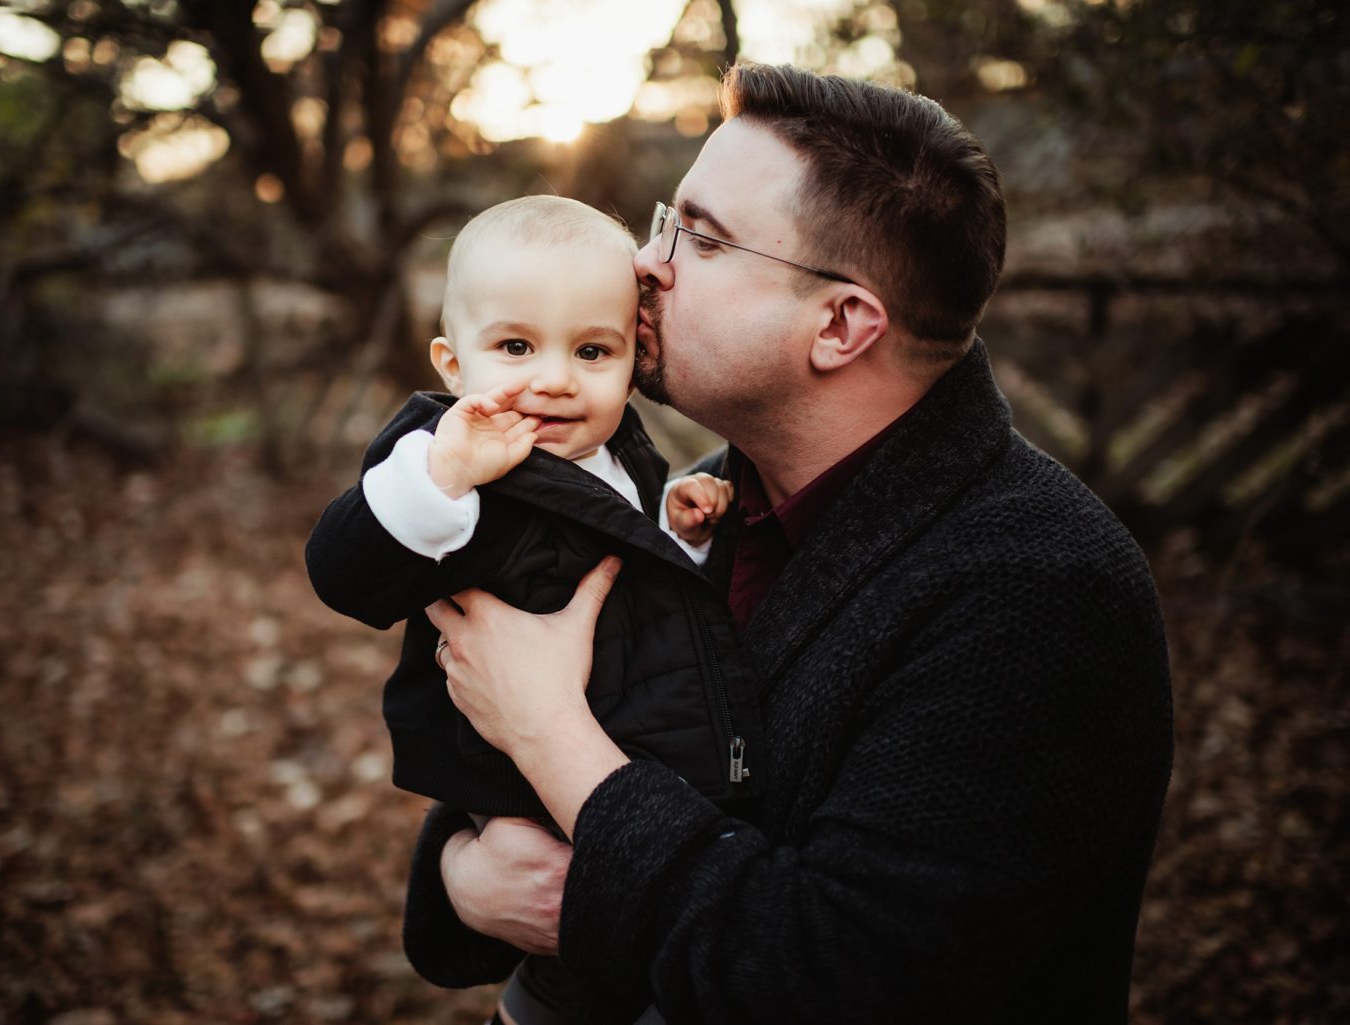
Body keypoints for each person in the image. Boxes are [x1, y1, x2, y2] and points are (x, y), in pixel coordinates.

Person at [406, 65, 1174, 1024]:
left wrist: (544, 731)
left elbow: (836, 974)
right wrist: (460, 876)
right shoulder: (712, 497)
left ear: (843, 325)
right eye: (664, 218)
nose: (644, 264)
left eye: (700, 236)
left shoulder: (1042, 591)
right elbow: (584, 759)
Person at [303, 195, 764, 1025]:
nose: (554, 377)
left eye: (592, 350)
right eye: (515, 346)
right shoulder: (449, 459)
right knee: (570, 974)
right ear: (452, 363)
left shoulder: (623, 456)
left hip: (627, 774)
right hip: (520, 787)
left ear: (633, 360)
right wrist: (443, 475)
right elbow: (343, 571)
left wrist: (681, 533)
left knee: (634, 959)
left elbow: (633, 586)